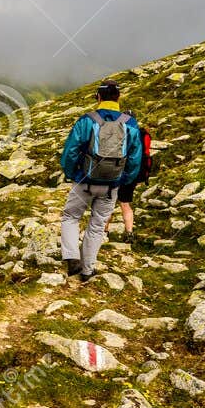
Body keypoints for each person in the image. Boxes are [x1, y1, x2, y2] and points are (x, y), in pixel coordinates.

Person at [58, 80, 144, 281]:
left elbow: (71, 151)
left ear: (98, 97)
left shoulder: (87, 120)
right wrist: (124, 179)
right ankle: (88, 270)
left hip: (84, 180)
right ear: (118, 97)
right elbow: (135, 158)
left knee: (71, 217)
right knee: (97, 225)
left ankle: (72, 257)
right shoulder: (130, 123)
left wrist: (72, 173)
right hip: (111, 185)